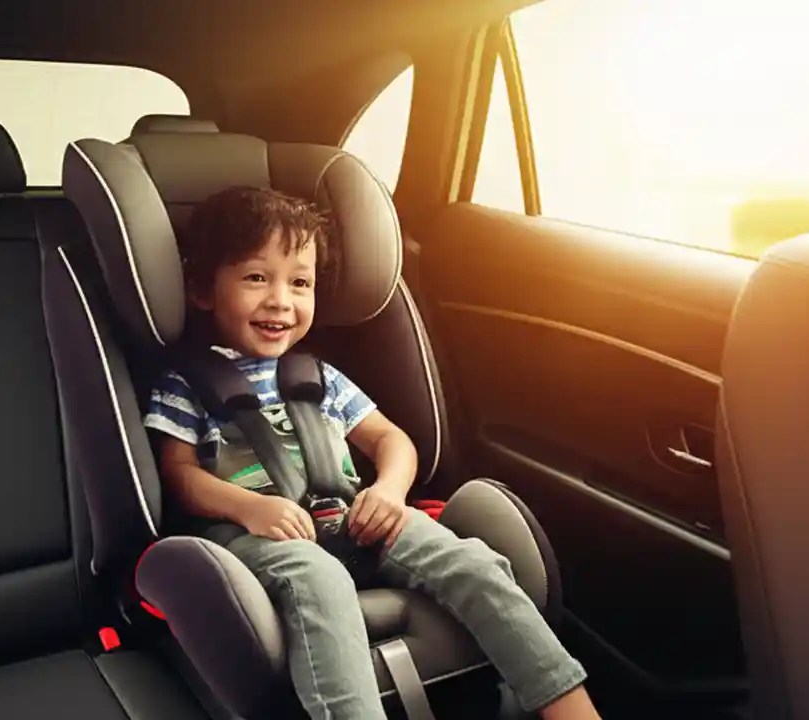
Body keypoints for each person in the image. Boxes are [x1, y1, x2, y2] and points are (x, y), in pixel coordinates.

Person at [143, 186, 601, 720]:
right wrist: (250, 508)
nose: (280, 301)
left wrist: (387, 491)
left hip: (354, 518)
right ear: (202, 289)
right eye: (255, 278)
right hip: (256, 536)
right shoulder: (184, 385)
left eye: (300, 282)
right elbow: (178, 475)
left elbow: (392, 441)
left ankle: (567, 706)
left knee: (469, 560)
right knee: (319, 578)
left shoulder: (321, 378)